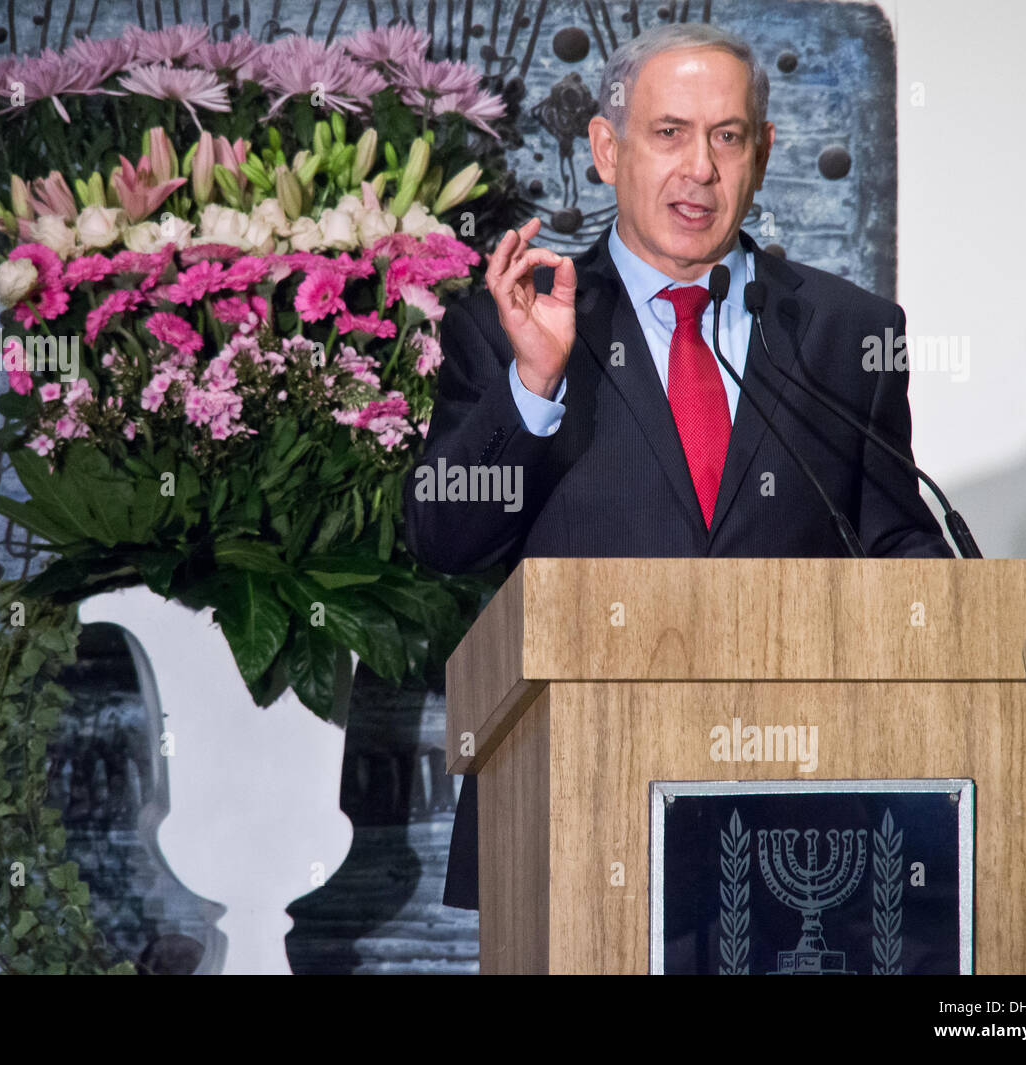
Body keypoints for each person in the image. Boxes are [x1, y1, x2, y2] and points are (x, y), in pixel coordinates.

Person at [402, 22, 954, 911]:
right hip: (567, 815)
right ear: (606, 149)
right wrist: (533, 385)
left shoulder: (849, 333)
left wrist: (965, 634)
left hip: (796, 820)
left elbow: (895, 544)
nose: (700, 166)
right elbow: (442, 537)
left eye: (727, 137)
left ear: (762, 155)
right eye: (669, 133)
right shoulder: (513, 323)